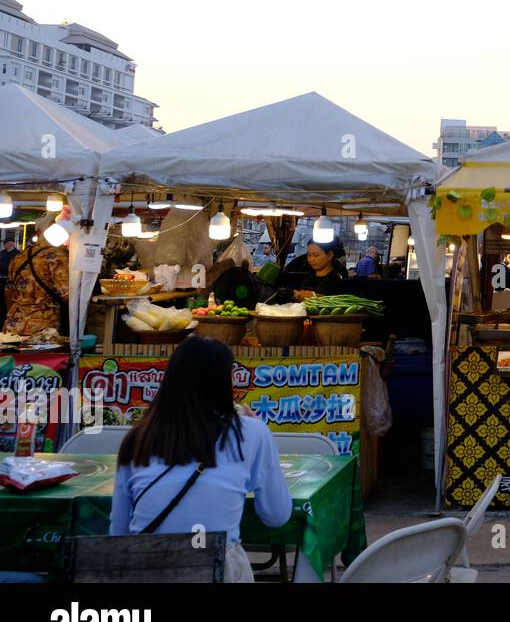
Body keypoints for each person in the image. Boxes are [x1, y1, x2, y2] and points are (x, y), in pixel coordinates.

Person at [109, 336, 292, 582]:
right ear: (223, 382)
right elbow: (276, 515)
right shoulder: (252, 432)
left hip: (146, 568)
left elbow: (118, 533)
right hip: (216, 570)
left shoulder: (136, 439)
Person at [3, 237, 69, 336]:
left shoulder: (21, 255)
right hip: (42, 326)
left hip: (14, 322)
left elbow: (9, 290)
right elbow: (67, 294)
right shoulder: (58, 257)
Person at [276, 238, 347, 299]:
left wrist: (296, 294)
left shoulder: (335, 280)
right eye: (309, 255)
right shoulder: (309, 276)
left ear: (329, 255)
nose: (311, 259)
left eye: (315, 255)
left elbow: (323, 299)